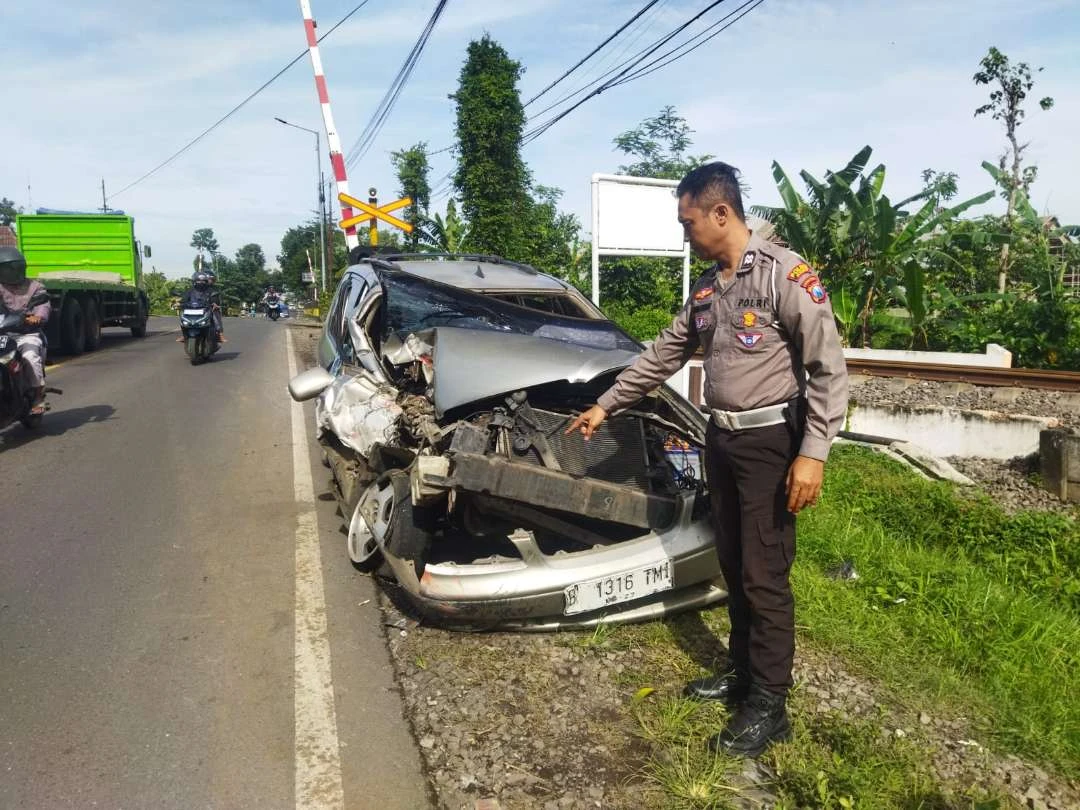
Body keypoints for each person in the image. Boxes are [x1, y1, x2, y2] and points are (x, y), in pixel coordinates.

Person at [566, 162, 848, 757]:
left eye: (688, 221)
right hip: (720, 440)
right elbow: (663, 353)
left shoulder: (783, 275)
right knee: (733, 560)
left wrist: (814, 453)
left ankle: (770, 704)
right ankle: (743, 675)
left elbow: (827, 367)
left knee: (764, 574)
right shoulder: (709, 288)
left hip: (773, 444)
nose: (684, 233)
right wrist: (606, 404)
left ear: (722, 213)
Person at [0, 246, 51, 415]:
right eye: (9, 268)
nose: (13, 272)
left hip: (27, 334)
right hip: (3, 335)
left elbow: (43, 305)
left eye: (16, 268)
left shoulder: (35, 287)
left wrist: (38, 317)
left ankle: (37, 396)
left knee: (30, 357)